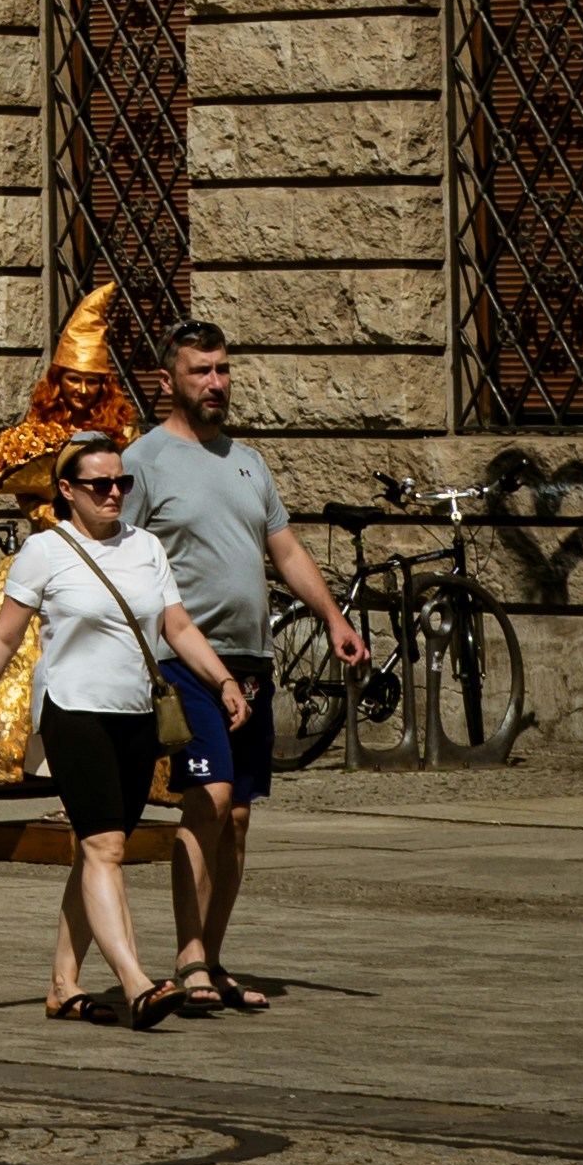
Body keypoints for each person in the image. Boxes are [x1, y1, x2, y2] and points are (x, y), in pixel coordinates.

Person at [123, 323, 368, 1016]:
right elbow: (121, 555)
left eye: (224, 370)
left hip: (253, 663)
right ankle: (189, 958)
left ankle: (215, 956)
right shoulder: (144, 462)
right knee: (208, 798)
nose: (216, 383)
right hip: (184, 663)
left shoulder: (248, 462)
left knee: (236, 819)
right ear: (168, 379)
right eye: (201, 371)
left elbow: (284, 550)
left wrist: (333, 618)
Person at [0, 435, 236, 1024]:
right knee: (105, 846)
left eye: (122, 483)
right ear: (66, 491)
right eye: (100, 485)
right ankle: (135, 981)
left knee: (97, 851)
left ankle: (62, 983)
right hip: (73, 712)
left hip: (136, 716)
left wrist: (222, 680)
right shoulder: (45, 551)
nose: (114, 493)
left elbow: (176, 626)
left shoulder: (147, 547)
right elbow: (5, 637)